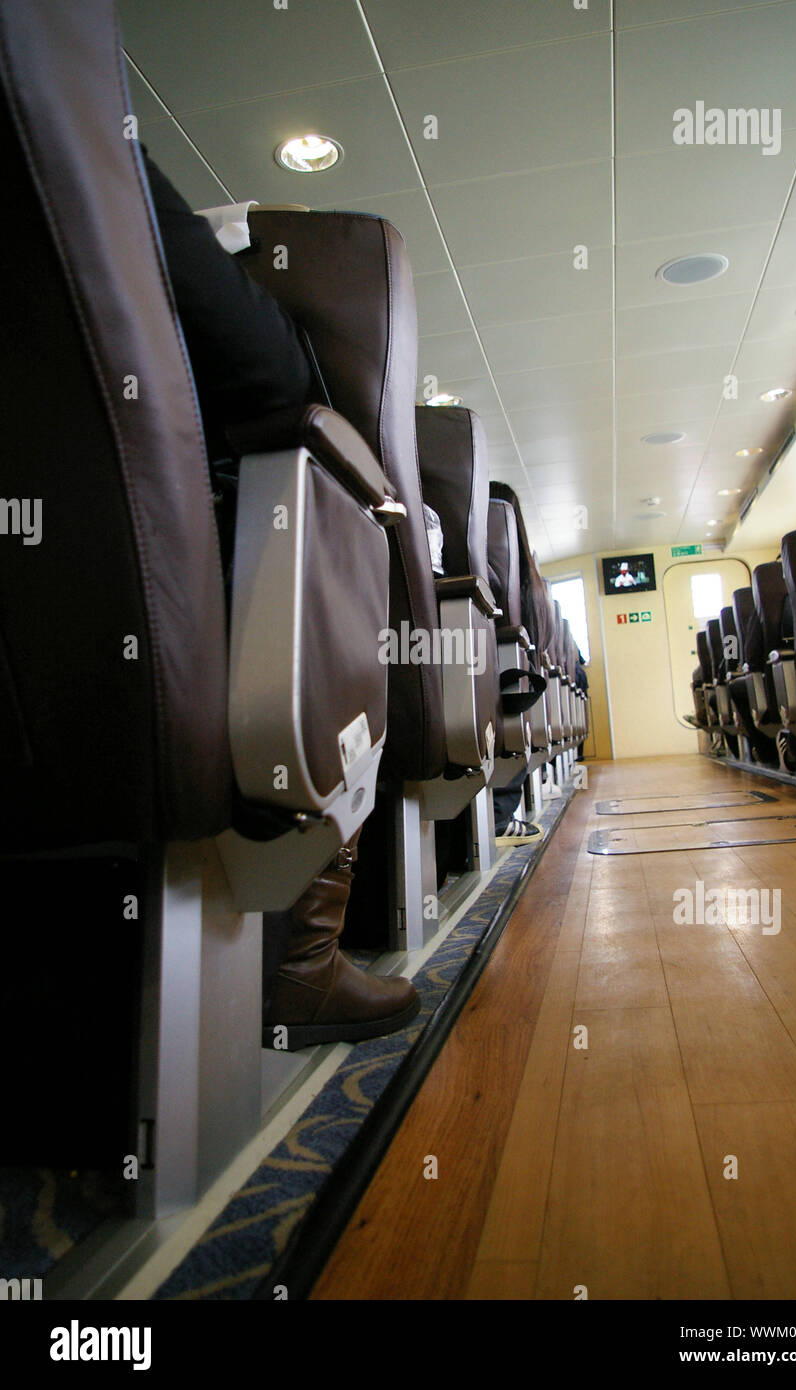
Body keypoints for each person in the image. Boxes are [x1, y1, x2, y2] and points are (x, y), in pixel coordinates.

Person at [142, 149, 420, 1048]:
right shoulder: (97, 160)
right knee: (354, 640)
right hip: (173, 605)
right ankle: (303, 970)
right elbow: (269, 382)